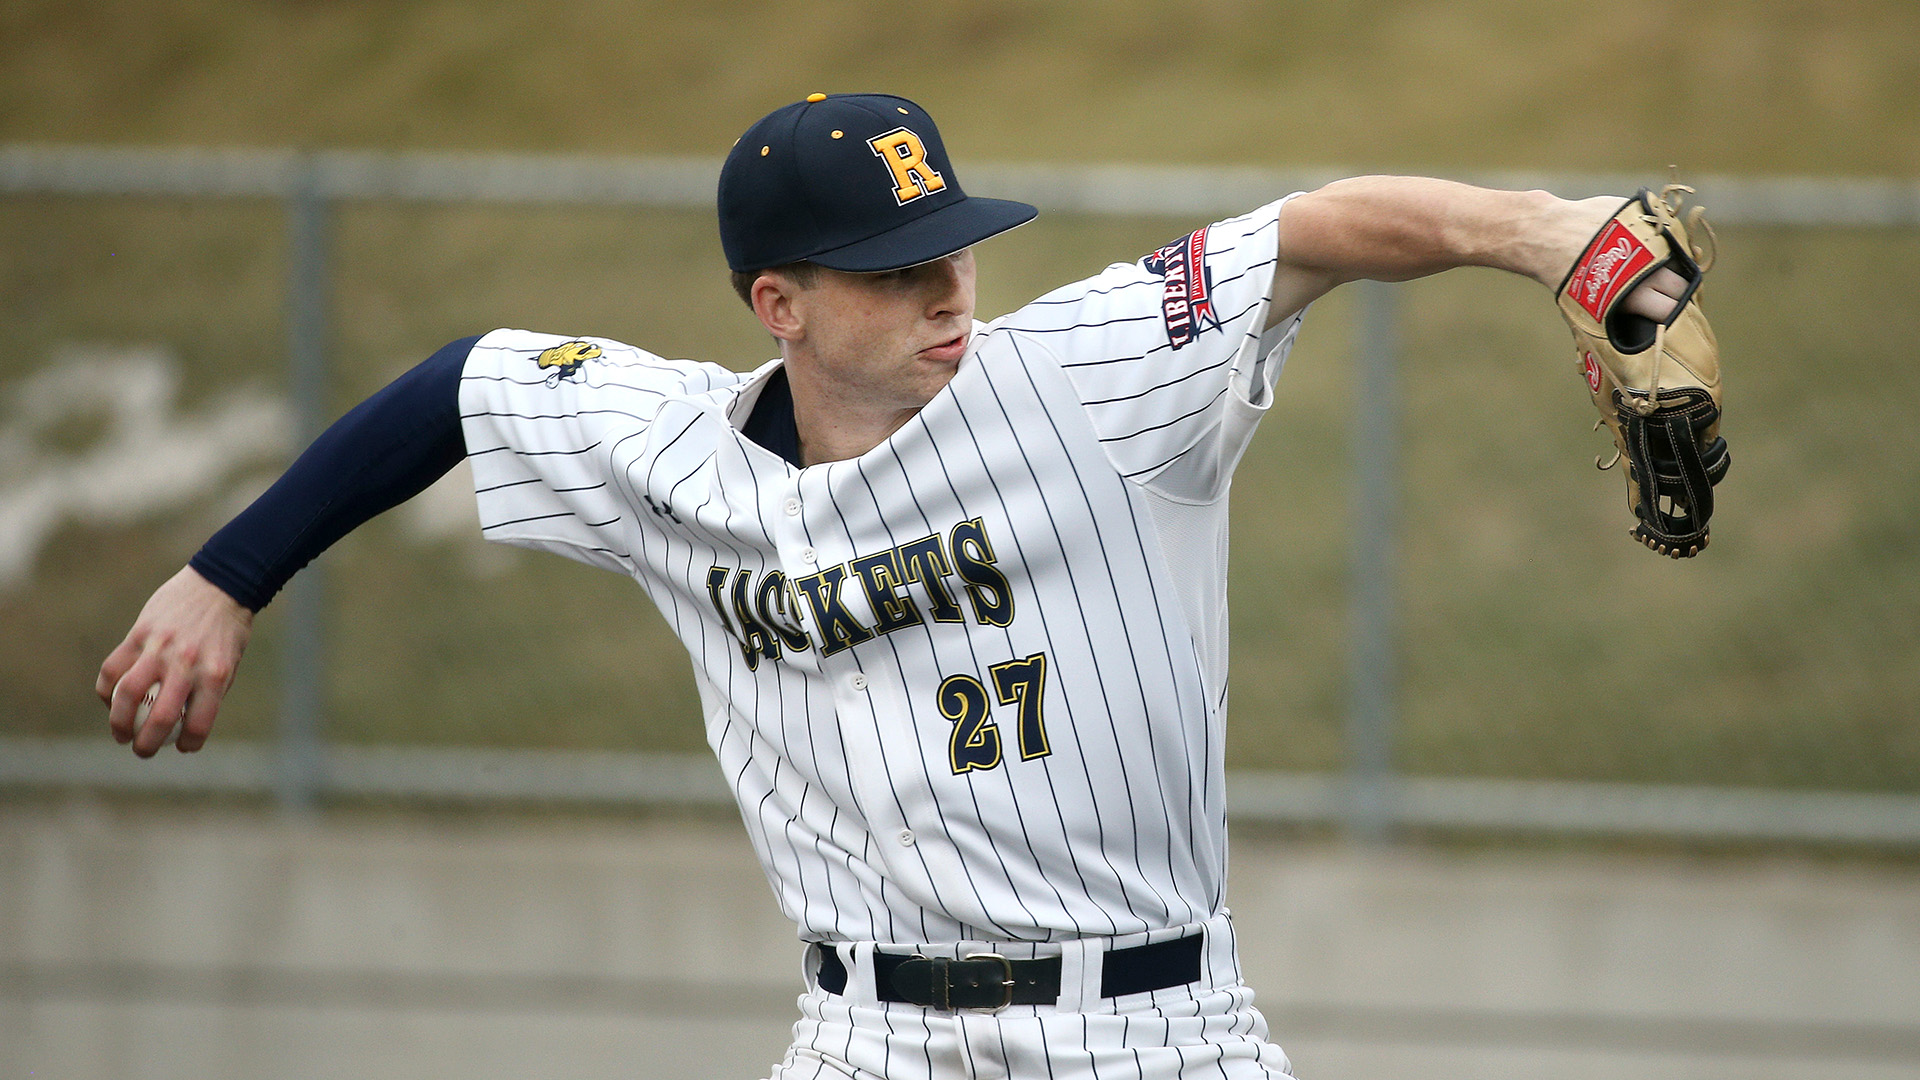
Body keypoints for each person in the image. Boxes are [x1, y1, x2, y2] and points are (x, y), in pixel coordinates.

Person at [96, 93, 1690, 1078]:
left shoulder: (1087, 372)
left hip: (1140, 1032)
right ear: (778, 302)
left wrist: (1542, 231)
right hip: (863, 1036)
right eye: (894, 266)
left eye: (955, 247)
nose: (948, 290)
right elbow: (465, 382)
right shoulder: (670, 455)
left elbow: (1320, 229)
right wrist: (225, 577)